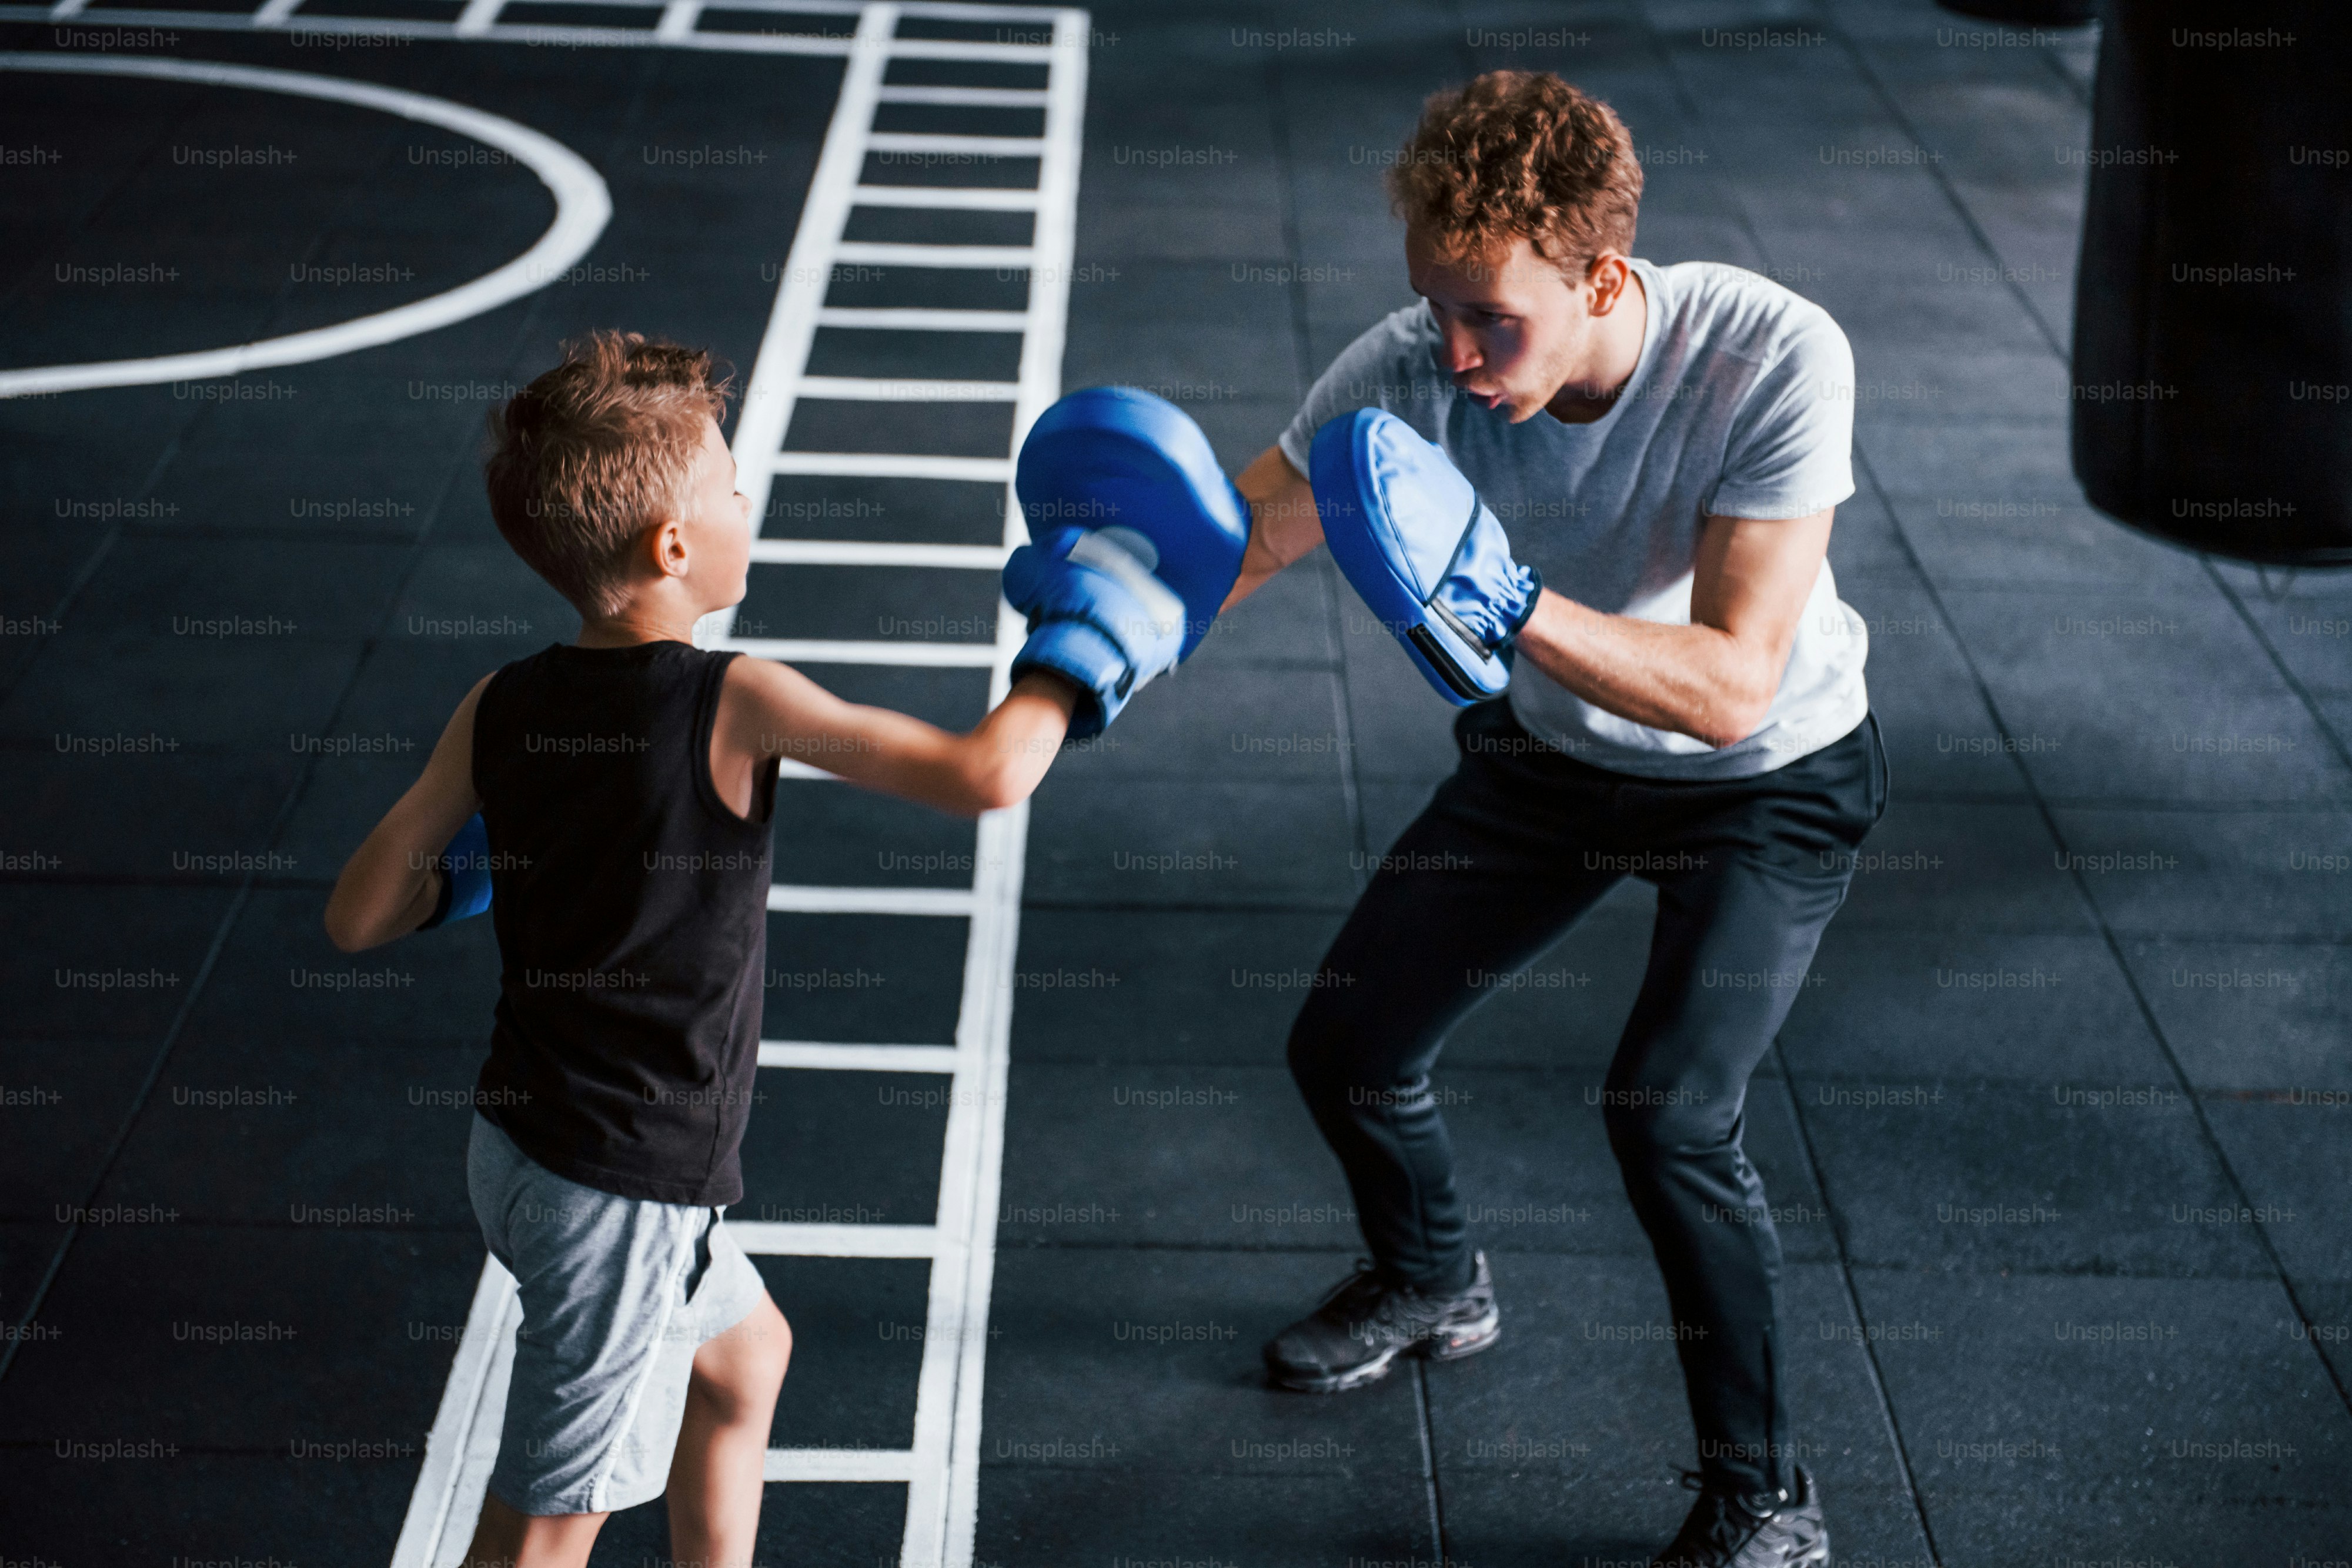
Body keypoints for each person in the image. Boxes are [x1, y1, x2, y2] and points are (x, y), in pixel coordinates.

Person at [323, 333, 1187, 1568]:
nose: (745, 500)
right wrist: (1076, 652)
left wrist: (469, 867)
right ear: (672, 548)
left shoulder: (498, 701)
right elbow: (984, 774)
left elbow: (356, 915)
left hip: (516, 1145)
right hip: (621, 1183)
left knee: (742, 1360)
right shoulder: (736, 696)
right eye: (729, 486)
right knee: (546, 1526)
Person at [1221, 72, 1883, 1568]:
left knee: (1667, 1113)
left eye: (1490, 324)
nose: (1452, 357)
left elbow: (1724, 688)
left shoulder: (1768, 351)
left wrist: (1506, 601)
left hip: (1761, 783)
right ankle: (1431, 1276)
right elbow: (1249, 534)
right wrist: (1086, 636)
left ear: (1600, 276)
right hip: (1553, 759)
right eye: (1433, 311)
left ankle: (1764, 1500)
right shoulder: (1412, 363)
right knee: (1343, 1041)